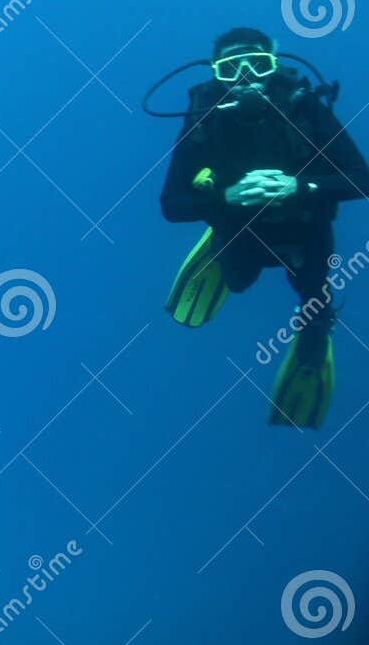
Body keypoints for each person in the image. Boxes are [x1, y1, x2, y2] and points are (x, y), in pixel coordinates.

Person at [155, 27, 368, 427]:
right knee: (238, 280)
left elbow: (363, 178)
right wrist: (226, 199)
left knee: (314, 317)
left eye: (258, 63)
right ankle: (218, 248)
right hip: (239, 226)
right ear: (217, 74)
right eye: (231, 68)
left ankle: (311, 348)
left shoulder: (305, 108)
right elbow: (171, 205)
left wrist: (300, 187)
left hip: (305, 229)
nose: (246, 76)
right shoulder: (205, 118)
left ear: (274, 65)